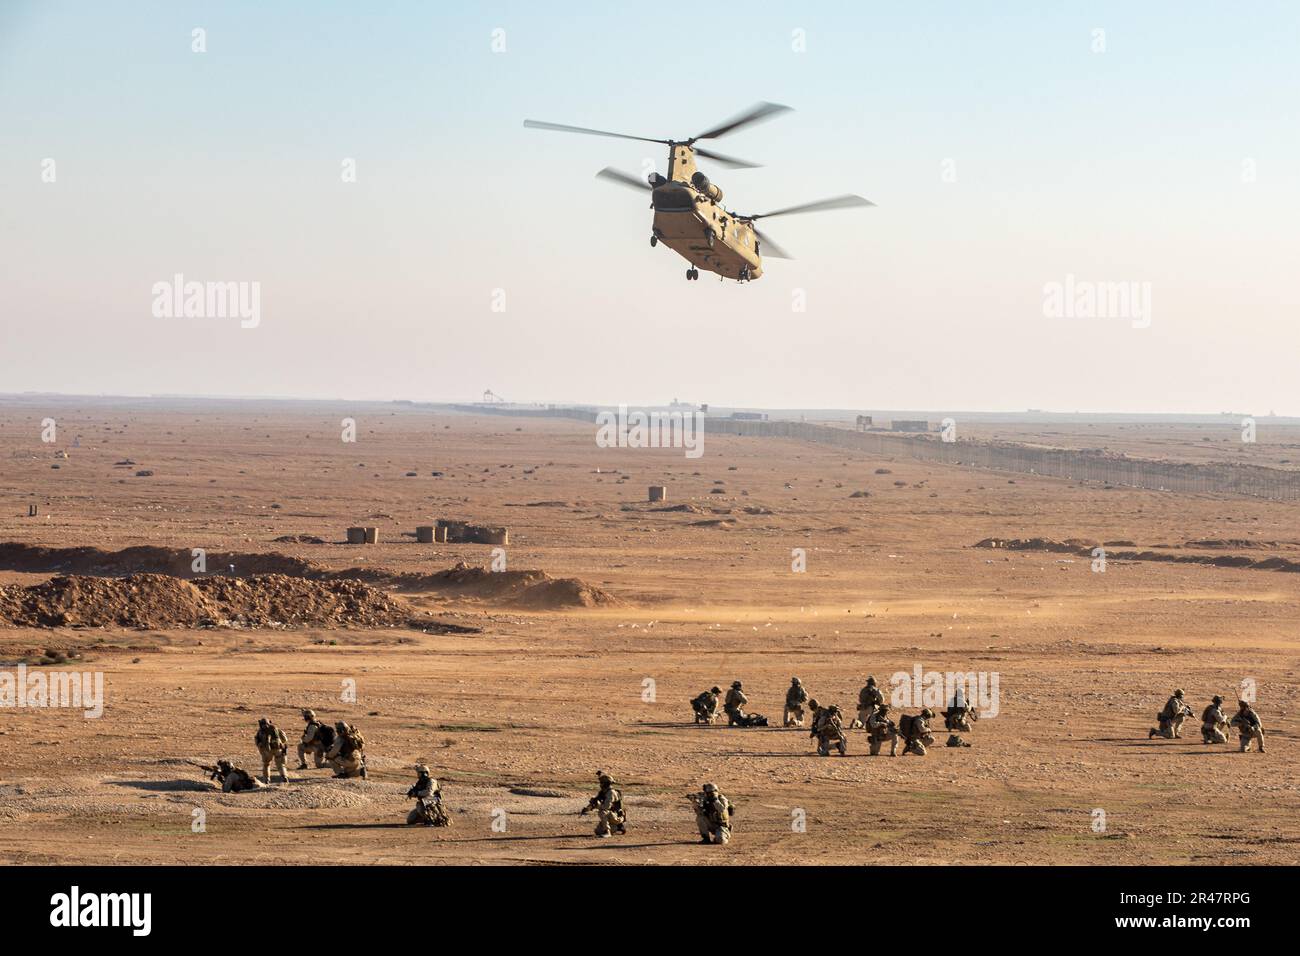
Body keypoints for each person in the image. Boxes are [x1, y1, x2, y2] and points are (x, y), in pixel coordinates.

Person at [581, 770, 627, 837]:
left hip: (617, 816)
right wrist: (588, 808)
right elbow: (596, 802)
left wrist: (597, 806)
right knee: (598, 831)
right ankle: (617, 827)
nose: (600, 784)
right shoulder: (603, 792)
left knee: (602, 812)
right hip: (611, 815)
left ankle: (607, 832)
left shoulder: (611, 793)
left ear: (606, 784)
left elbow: (606, 807)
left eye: (601, 783)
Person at [254, 717, 289, 784]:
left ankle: (267, 780)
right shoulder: (276, 729)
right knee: (280, 765)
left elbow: (257, 742)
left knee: (266, 765)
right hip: (278, 749)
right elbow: (285, 739)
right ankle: (284, 777)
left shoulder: (260, 731)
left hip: (267, 751)